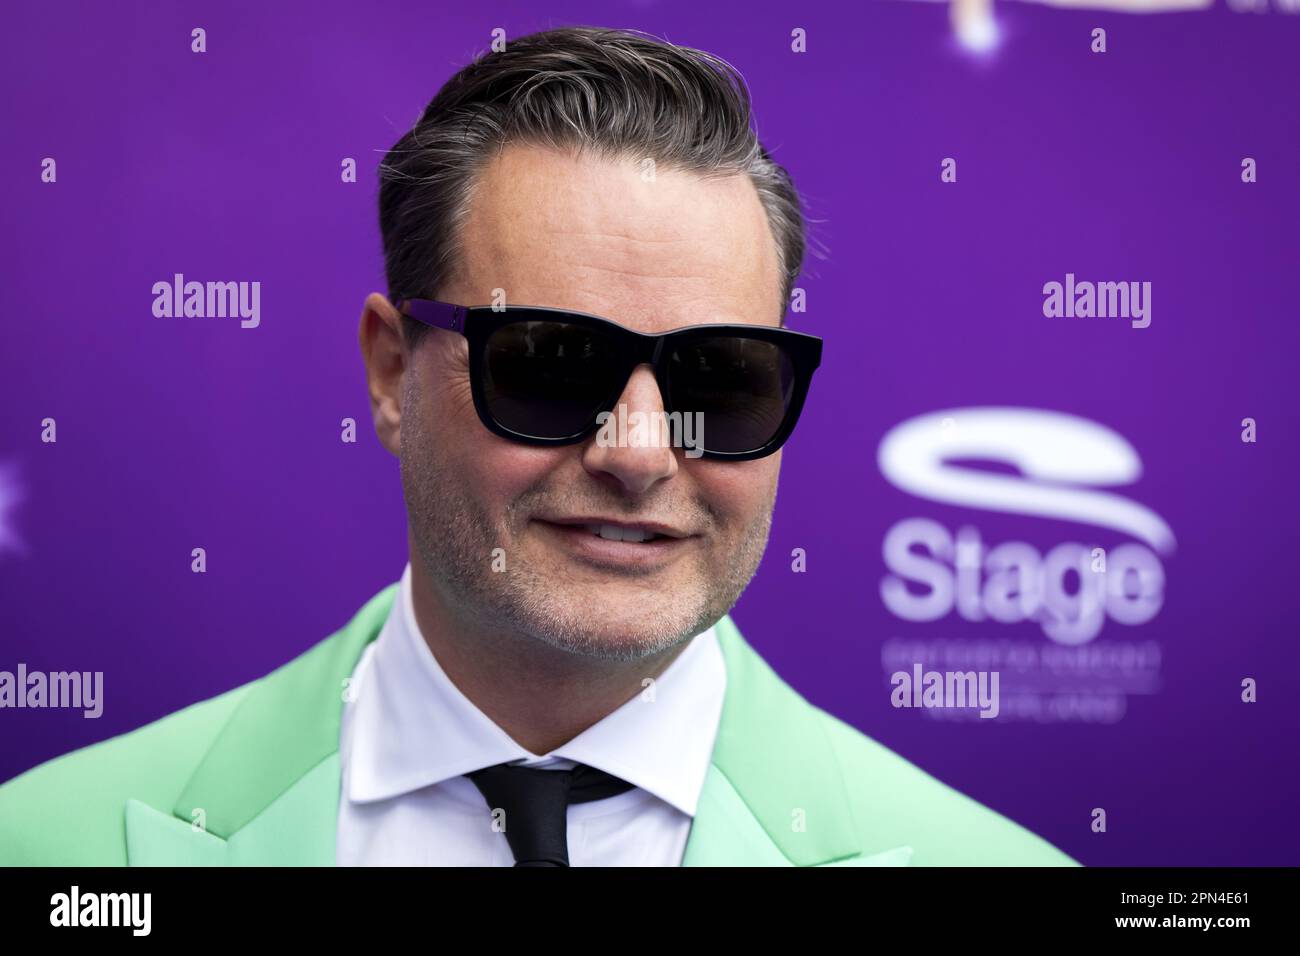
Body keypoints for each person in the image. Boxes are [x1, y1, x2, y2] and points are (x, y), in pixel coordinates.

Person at [0, 25, 1077, 867]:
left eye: (721, 379)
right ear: (389, 374)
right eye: (553, 363)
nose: (642, 450)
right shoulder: (48, 843)